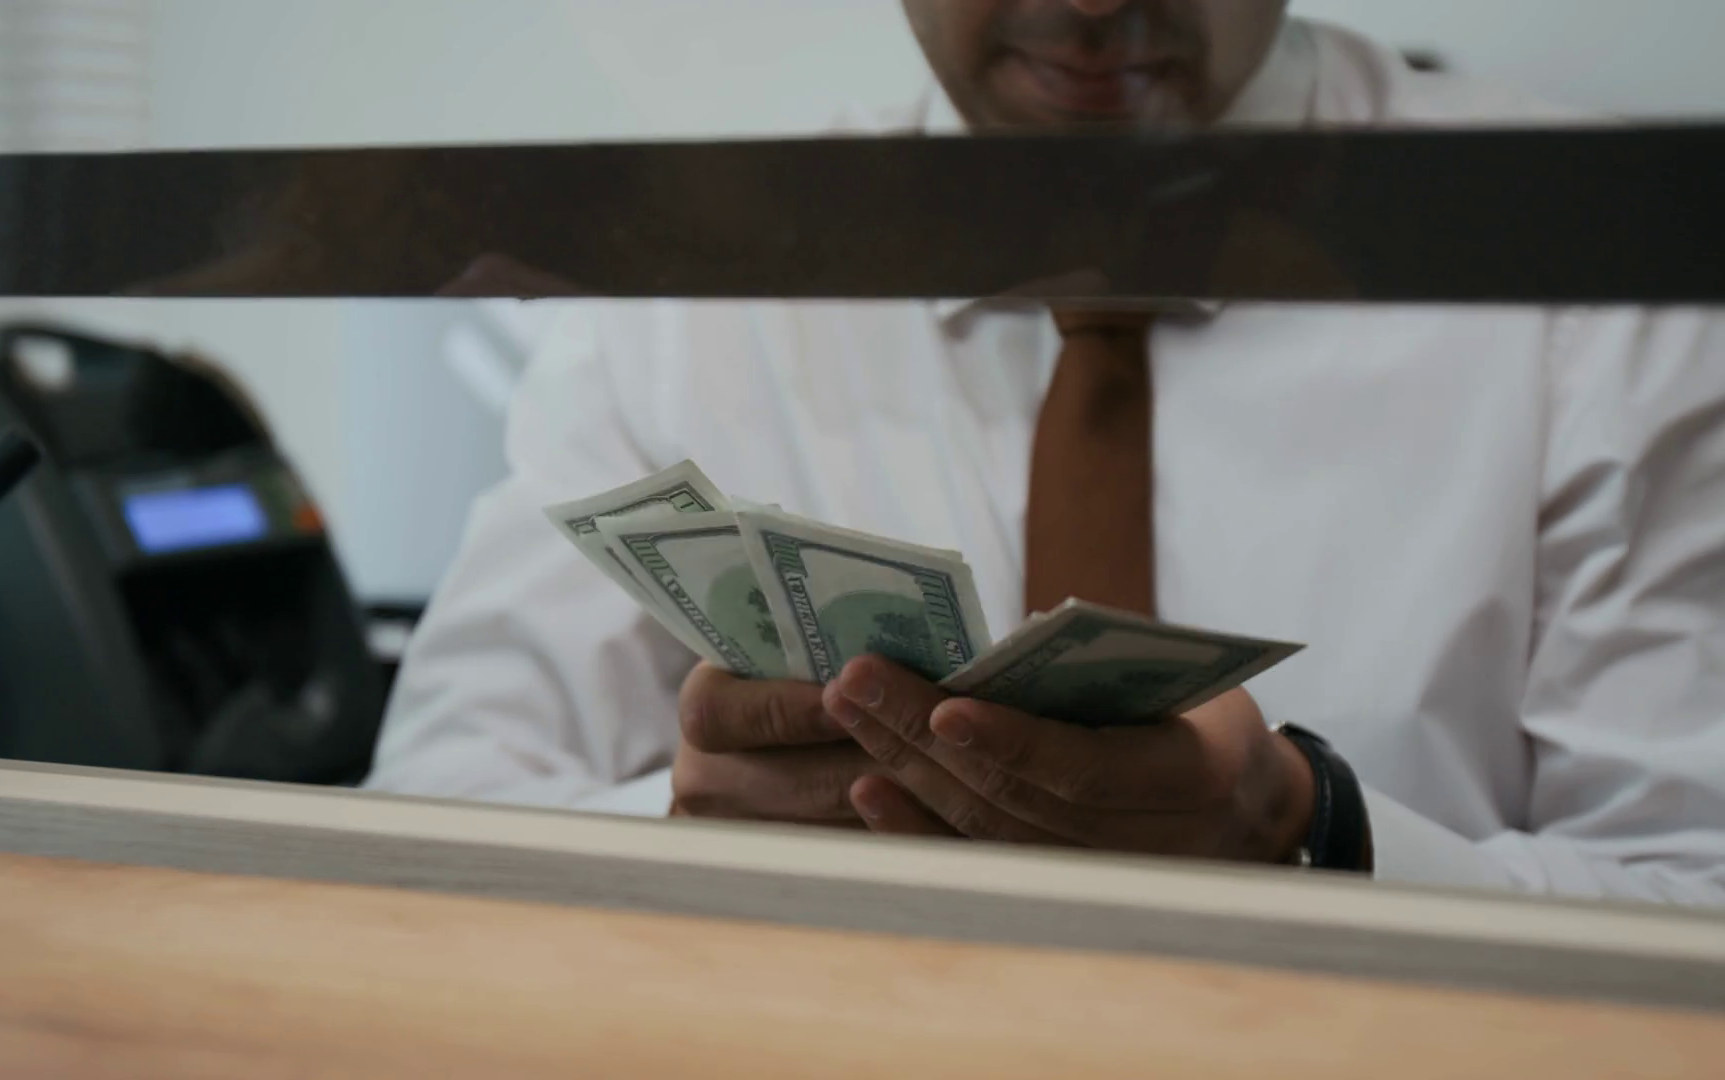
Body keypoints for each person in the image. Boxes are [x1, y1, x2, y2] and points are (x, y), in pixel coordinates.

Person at [368, 0, 1725, 904]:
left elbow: (1693, 888)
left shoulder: (1599, 273)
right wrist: (684, 825)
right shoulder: (688, 292)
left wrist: (1319, 831)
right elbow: (427, 814)